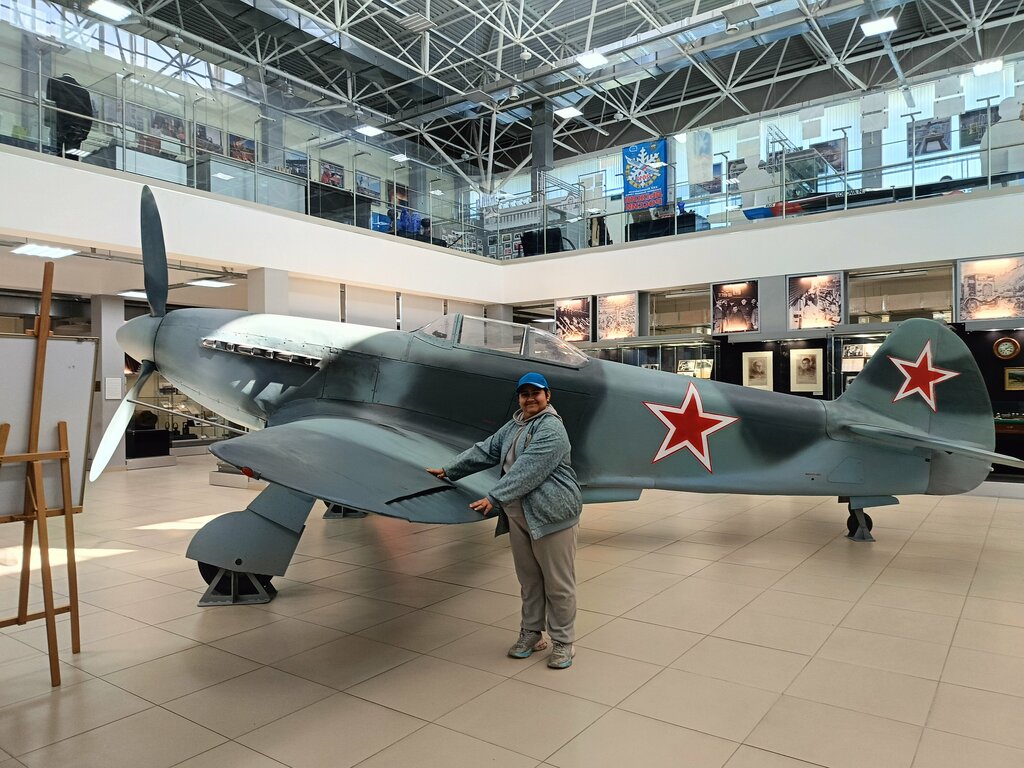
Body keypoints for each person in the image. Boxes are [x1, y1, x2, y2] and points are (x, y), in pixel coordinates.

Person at [426, 372, 583, 669]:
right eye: (524, 394)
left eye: (536, 393)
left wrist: (495, 497)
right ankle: (532, 633)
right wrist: (450, 469)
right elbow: (486, 449)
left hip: (552, 515)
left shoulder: (552, 428)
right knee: (529, 580)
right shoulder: (515, 425)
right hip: (519, 514)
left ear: (548, 396)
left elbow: (529, 469)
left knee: (558, 584)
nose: (530, 398)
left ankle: (564, 642)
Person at [46, 74, 93, 160]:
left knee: (55, 156)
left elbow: (49, 105)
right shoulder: (84, 92)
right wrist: (84, 134)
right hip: (76, 130)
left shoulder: (54, 82)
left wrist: (47, 123)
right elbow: (89, 116)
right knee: (72, 159)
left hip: (58, 125)